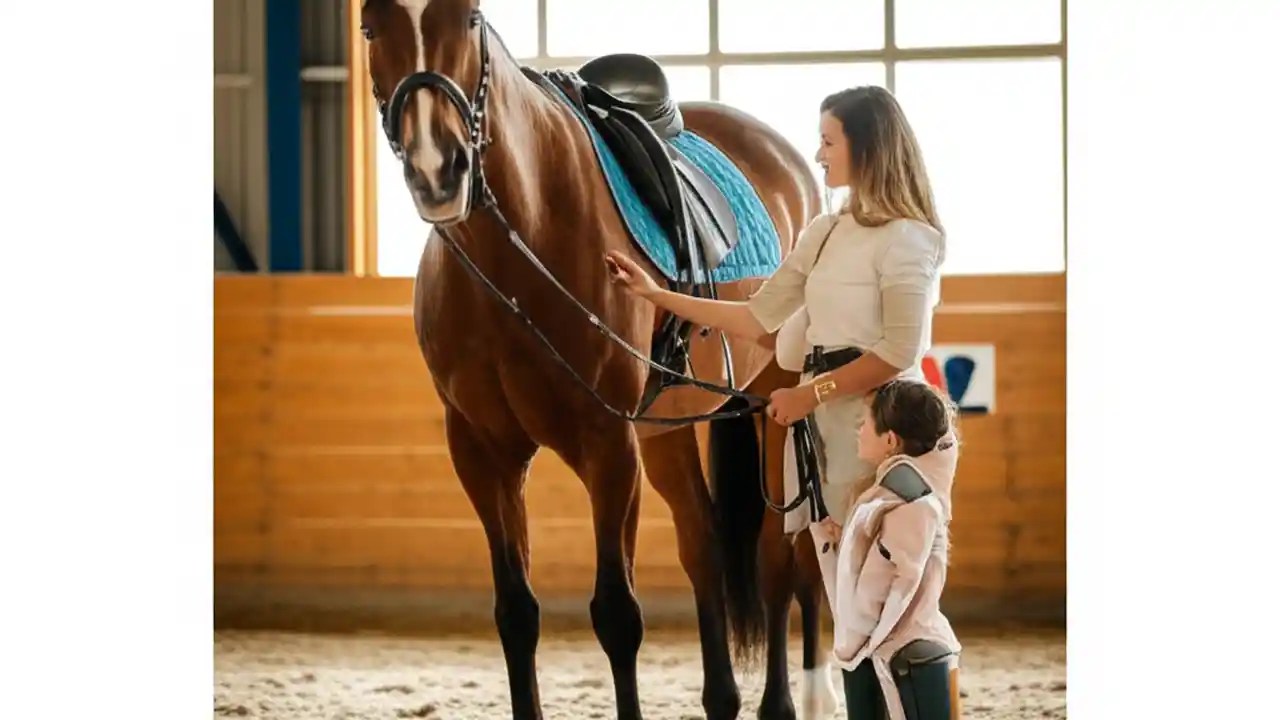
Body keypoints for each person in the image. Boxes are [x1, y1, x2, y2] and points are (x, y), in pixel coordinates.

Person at [832, 378, 961, 720]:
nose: (859, 430)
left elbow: (895, 580)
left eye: (866, 423)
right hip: (893, 635)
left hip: (885, 644)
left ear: (890, 440)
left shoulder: (908, 503)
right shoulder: (901, 491)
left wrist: (859, 642)